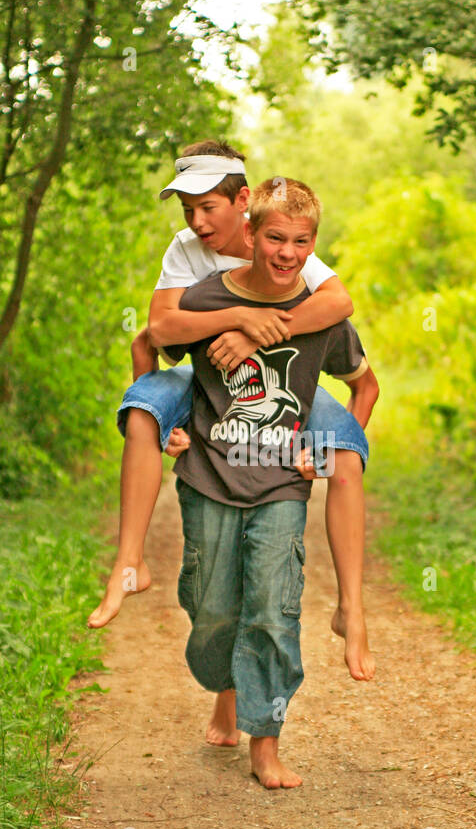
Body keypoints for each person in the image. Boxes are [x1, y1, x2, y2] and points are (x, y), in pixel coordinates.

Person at [88, 139, 377, 684]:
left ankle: (352, 608)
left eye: (208, 207)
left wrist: (270, 332)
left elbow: (339, 304)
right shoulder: (184, 248)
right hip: (203, 373)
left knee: (347, 457)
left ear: (242, 202)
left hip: (288, 379)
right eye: (187, 209)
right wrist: (239, 321)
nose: (197, 221)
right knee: (144, 410)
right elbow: (161, 330)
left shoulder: (277, 238)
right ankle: (130, 560)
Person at [160, 177, 379, 786]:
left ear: (314, 244)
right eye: (275, 238)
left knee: (273, 610)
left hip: (282, 484)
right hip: (208, 476)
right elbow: (153, 348)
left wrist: (330, 447)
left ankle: (266, 740)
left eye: (301, 241)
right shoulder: (204, 300)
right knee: (212, 609)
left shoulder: (321, 313)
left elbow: (365, 387)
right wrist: (165, 430)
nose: (287, 253)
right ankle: (225, 688)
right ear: (250, 235)